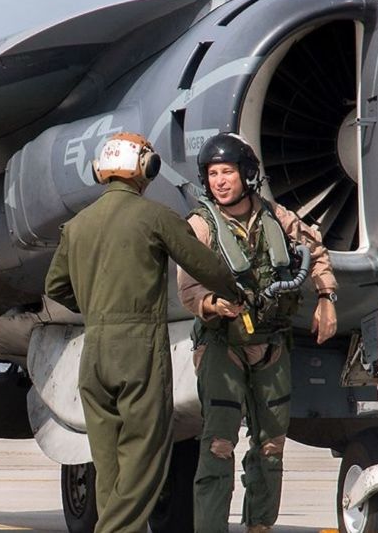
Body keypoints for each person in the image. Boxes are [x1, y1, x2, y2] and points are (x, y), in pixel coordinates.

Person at [45, 131, 241, 533]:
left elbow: (55, 288)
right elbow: (207, 268)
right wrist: (241, 292)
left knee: (110, 469)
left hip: (93, 353)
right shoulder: (155, 217)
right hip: (137, 353)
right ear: (145, 168)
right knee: (146, 463)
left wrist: (98, 304)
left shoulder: (77, 225)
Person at [177, 132, 338, 533]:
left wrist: (326, 297)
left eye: (227, 171)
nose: (220, 181)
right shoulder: (200, 225)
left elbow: (315, 251)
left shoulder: (276, 217)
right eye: (213, 173)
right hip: (222, 345)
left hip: (270, 344)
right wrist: (212, 305)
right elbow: (188, 286)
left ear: (246, 175)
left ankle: (260, 525)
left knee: (271, 446)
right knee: (219, 445)